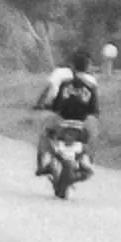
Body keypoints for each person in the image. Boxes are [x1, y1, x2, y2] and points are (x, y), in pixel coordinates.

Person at [33, 48, 99, 177]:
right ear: (87, 66)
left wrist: (46, 106)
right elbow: (94, 108)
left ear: (72, 65)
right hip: (82, 121)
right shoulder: (91, 84)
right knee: (92, 137)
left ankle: (43, 162)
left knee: (46, 133)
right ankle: (87, 162)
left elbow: (57, 103)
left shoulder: (65, 81)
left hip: (62, 118)